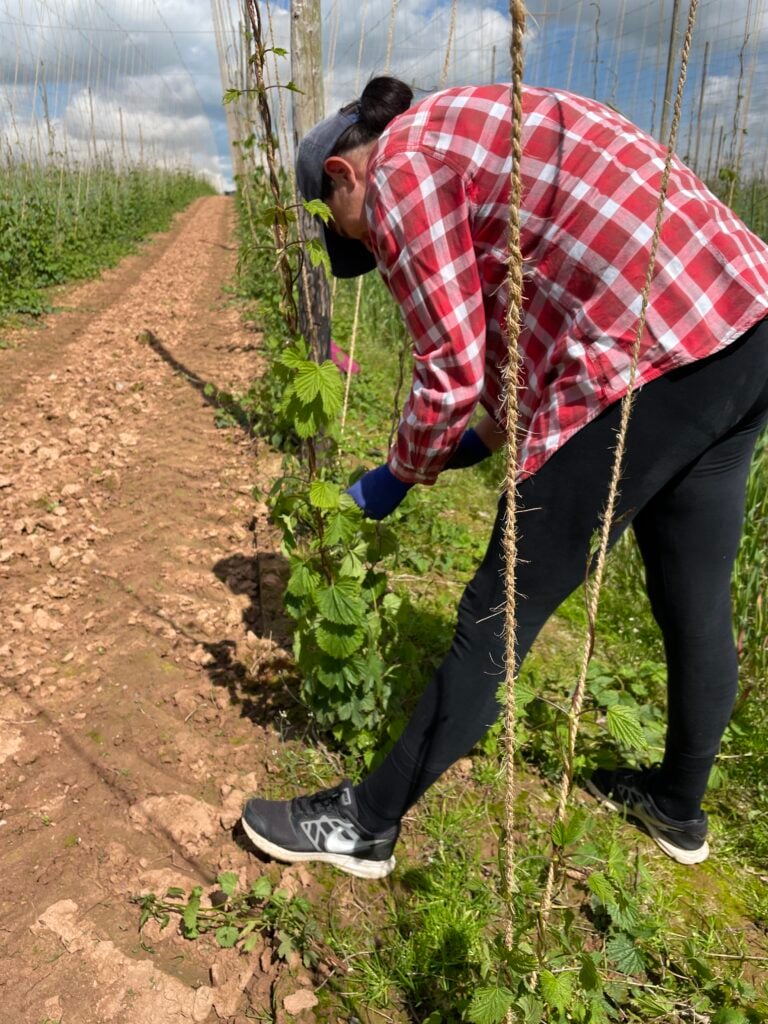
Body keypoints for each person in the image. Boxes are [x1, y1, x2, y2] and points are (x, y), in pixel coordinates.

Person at [240, 77, 768, 879]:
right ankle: (677, 807)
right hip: (738, 321)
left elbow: (450, 370)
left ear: (343, 178)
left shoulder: (399, 170)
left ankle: (367, 824)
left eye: (354, 237)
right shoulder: (473, 123)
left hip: (651, 340)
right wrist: (483, 441)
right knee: (690, 591)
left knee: (502, 601)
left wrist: (396, 476)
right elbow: (534, 314)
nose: (370, 247)